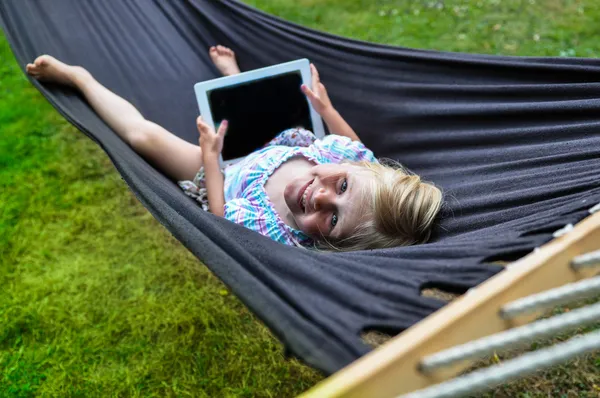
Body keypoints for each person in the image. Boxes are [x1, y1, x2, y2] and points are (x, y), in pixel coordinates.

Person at [26, 45, 442, 250]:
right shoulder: (353, 162)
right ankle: (234, 75)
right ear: (360, 171)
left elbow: (220, 217)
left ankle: (80, 78)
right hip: (277, 145)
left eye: (332, 220)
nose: (319, 196)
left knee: (143, 137)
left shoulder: (278, 231)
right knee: (267, 106)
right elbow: (353, 144)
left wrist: (210, 158)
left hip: (225, 177)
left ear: (334, 244)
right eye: (342, 189)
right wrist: (327, 108)